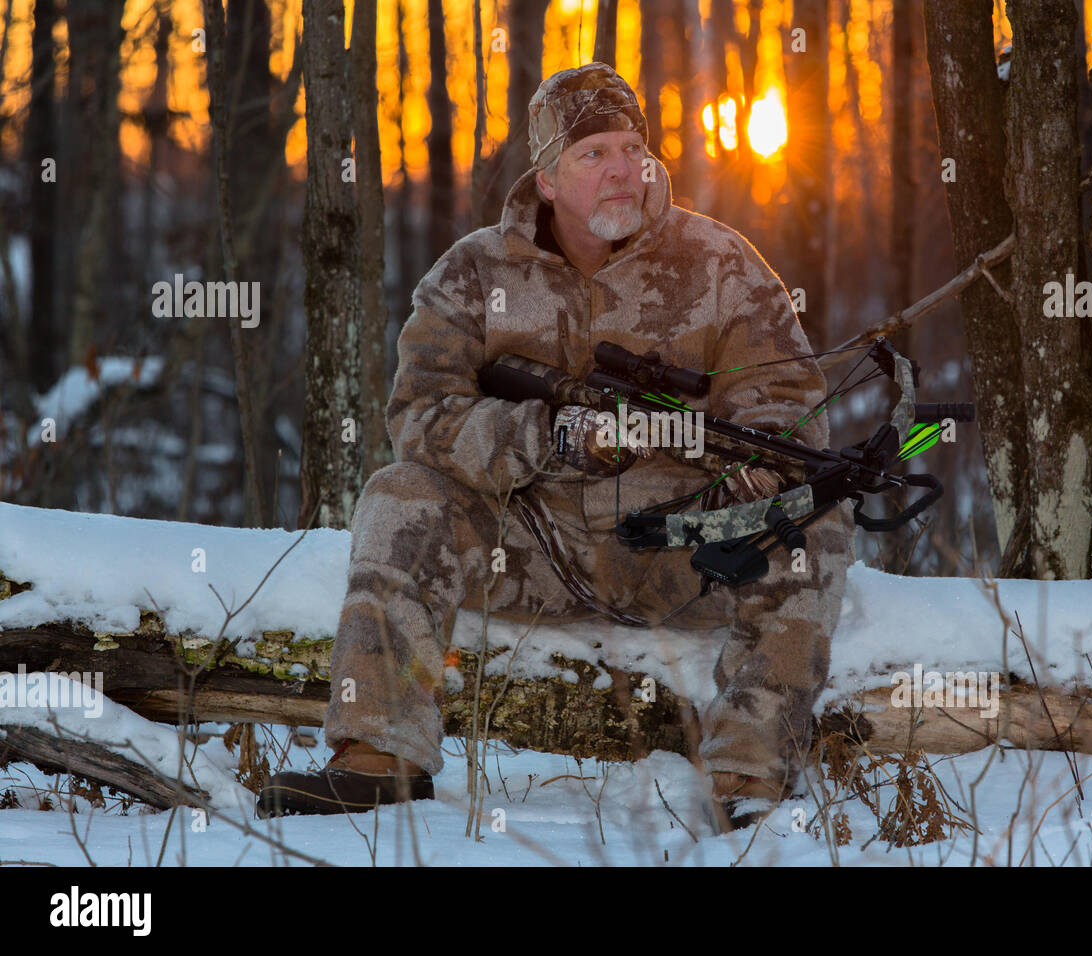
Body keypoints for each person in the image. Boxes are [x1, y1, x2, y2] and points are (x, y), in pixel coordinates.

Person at [256, 62, 853, 831]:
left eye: (632, 148)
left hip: (684, 551)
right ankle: (379, 758)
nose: (622, 172)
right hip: (528, 545)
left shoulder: (723, 266)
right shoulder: (473, 272)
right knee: (400, 494)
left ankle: (747, 778)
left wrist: (748, 474)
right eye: (593, 153)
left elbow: (791, 412)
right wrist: (549, 436)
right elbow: (420, 412)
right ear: (546, 179)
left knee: (813, 523)